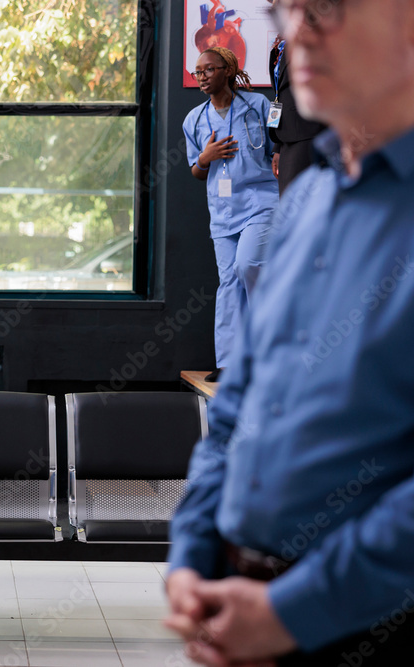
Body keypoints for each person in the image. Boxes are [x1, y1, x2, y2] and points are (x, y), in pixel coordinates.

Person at [166, 1, 414, 665]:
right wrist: (192, 555)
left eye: (326, 8)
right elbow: (241, 399)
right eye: (284, 10)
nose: (293, 32)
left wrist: (292, 612)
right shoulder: (307, 199)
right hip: (240, 609)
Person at [183, 46, 279, 383]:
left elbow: (277, 145)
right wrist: (205, 158)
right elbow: (196, 171)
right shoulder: (193, 120)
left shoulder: (259, 106)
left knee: (249, 264)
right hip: (223, 211)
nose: (202, 76)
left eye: (209, 69)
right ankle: (229, 364)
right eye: (197, 72)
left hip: (261, 201)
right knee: (229, 282)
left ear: (228, 69)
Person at [266, 0, 326, 194]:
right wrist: (278, 146)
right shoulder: (279, 45)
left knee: (299, 205)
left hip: (310, 132)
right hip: (286, 136)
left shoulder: (315, 32)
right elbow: (280, 93)